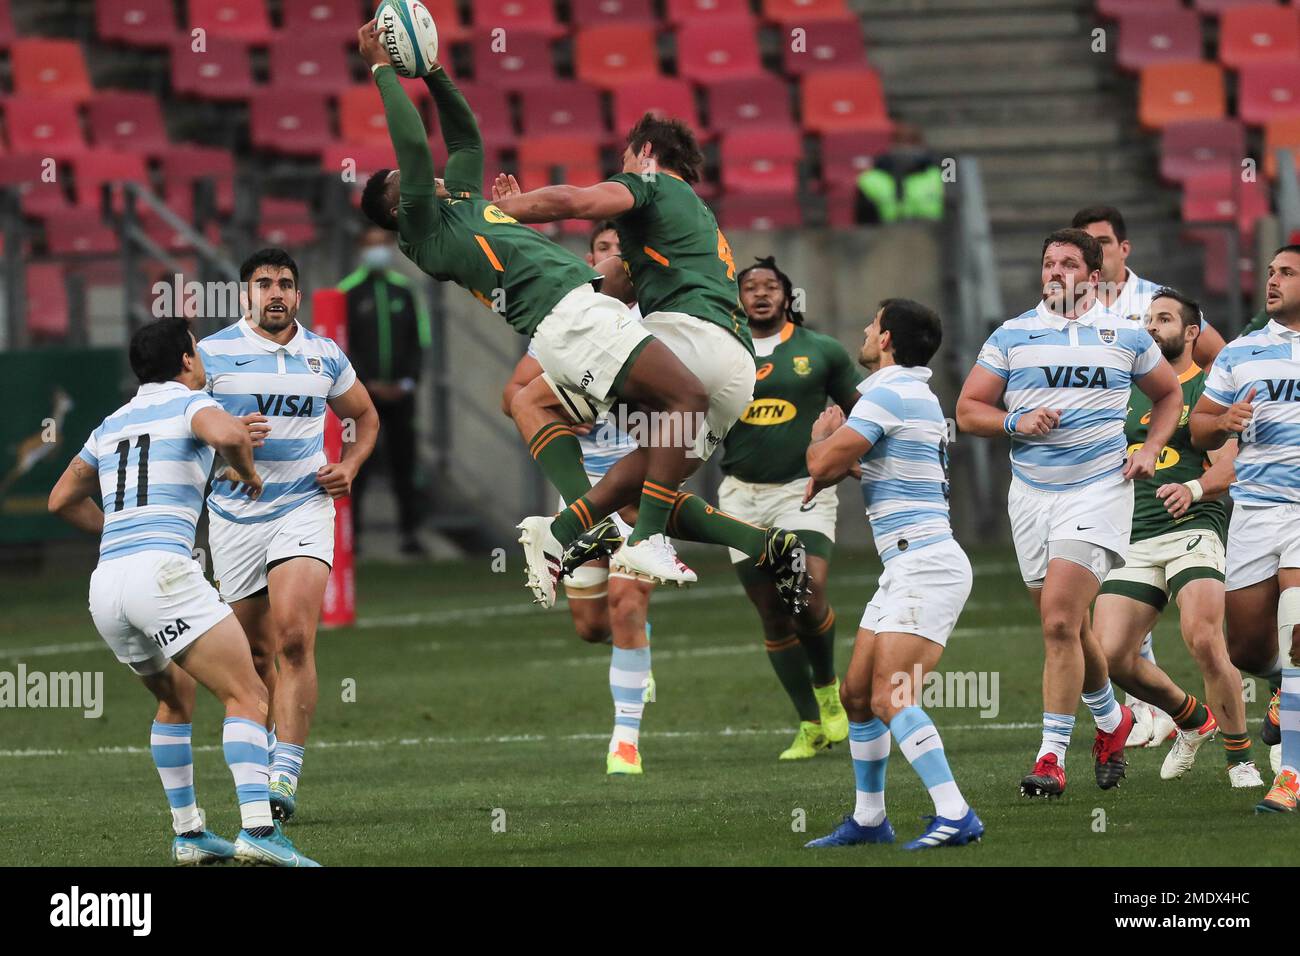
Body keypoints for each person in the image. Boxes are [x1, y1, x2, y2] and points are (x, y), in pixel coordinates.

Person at [356, 22, 738, 594]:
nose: (427, 176)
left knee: (636, 415)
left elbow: (465, 141)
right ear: (397, 210)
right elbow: (412, 149)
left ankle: (577, 525)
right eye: (402, 184)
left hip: (584, 313)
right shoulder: (423, 230)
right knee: (685, 399)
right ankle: (632, 535)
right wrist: (382, 70)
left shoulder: (460, 203)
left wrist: (433, 71)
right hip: (569, 319)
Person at [487, 116, 811, 614]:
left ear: (644, 153)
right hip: (733, 366)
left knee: (531, 399)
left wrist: (506, 212)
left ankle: (622, 536)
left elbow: (577, 201)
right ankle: (576, 533)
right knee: (647, 480)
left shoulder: (650, 181)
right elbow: (606, 282)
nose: (622, 169)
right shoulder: (692, 218)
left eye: (625, 159)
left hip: (687, 341)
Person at [47, 317, 318, 866]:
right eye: (197, 351)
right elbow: (229, 436)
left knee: (175, 698)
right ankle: (259, 831)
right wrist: (247, 471)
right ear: (188, 360)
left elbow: (60, 499)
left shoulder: (111, 423)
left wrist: (120, 531)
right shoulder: (191, 403)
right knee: (249, 694)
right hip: (163, 576)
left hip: (108, 586)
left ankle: (189, 832)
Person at [956, 228, 1182, 798]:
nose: (1055, 272)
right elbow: (967, 409)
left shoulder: (1125, 335)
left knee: (1058, 622)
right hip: (1031, 495)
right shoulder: (1012, 335)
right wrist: (1014, 421)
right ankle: (1113, 721)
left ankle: (1051, 757)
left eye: (1068, 264)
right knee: (1072, 627)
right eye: (1048, 263)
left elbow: (1169, 394)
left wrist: (1150, 448)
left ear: (1094, 276)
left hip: (1099, 490)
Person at [197, 248, 379, 823]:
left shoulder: (324, 356)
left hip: (304, 505)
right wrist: (226, 438)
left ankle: (285, 775)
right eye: (263, 283)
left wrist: (349, 465)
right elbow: (180, 429)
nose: (275, 292)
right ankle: (267, 755)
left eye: (284, 283)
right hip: (234, 516)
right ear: (245, 294)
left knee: (295, 638)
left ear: (298, 295)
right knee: (253, 655)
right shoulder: (211, 355)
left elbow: (366, 416)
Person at [803, 299, 982, 850]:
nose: (864, 329)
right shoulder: (911, 393)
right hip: (907, 564)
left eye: (873, 322)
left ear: (886, 339)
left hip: (926, 565)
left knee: (891, 696)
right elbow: (876, 466)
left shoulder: (888, 393)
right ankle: (869, 819)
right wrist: (842, 459)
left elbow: (821, 464)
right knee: (858, 695)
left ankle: (956, 813)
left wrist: (822, 438)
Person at [500, 220, 667, 775]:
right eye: (603, 247)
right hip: (582, 489)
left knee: (626, 605)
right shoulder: (566, 323)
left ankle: (625, 742)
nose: (613, 255)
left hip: (641, 482)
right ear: (589, 261)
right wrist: (562, 409)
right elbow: (513, 394)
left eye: (623, 247)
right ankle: (637, 649)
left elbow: (689, 401)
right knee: (592, 625)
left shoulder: (660, 321)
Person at [1093, 289, 1261, 789]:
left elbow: (1231, 465)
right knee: (1110, 657)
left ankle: (1240, 760)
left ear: (1191, 333)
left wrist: (1194, 489)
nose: (1151, 326)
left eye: (1163, 319)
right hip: (1134, 534)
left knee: (1204, 639)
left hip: (1194, 527)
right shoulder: (1125, 391)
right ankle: (1192, 719)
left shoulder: (1208, 391)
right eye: (1147, 318)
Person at [1072, 205, 1227, 745]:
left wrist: (1204, 417)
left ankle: (1207, 731)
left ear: (1124, 248)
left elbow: (1220, 360)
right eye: (1084, 246)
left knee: (1195, 628)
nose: (1093, 254)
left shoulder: (1154, 300)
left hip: (1171, 460)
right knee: (1104, 610)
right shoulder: (1072, 305)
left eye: (1101, 243)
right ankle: (1154, 711)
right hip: (1111, 458)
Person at [718, 257, 860, 760]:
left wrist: (851, 452)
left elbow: (862, 411)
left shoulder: (820, 351)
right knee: (773, 613)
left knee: (805, 590)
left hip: (801, 490)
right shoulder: (720, 350)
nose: (760, 294)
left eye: (770, 286)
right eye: (750, 287)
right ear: (738, 299)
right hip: (739, 496)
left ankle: (827, 688)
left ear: (787, 296)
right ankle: (809, 723)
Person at [1191, 244, 1300, 813]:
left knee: (1298, 632)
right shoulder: (1241, 351)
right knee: (1248, 649)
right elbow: (1199, 427)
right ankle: (1282, 686)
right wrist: (1224, 423)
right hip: (1254, 512)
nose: (1272, 281)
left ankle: (1291, 777)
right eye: (1271, 272)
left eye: (1287, 273)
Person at [339, 226, 431, 556]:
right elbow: (340, 346)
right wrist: (366, 384)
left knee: (404, 462)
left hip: (402, 397)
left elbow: (419, 340)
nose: (378, 250)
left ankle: (410, 534)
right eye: (372, 244)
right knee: (357, 464)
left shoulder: (404, 290)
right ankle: (352, 537)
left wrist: (407, 381)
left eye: (383, 243)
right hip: (360, 400)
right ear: (361, 248)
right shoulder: (347, 292)